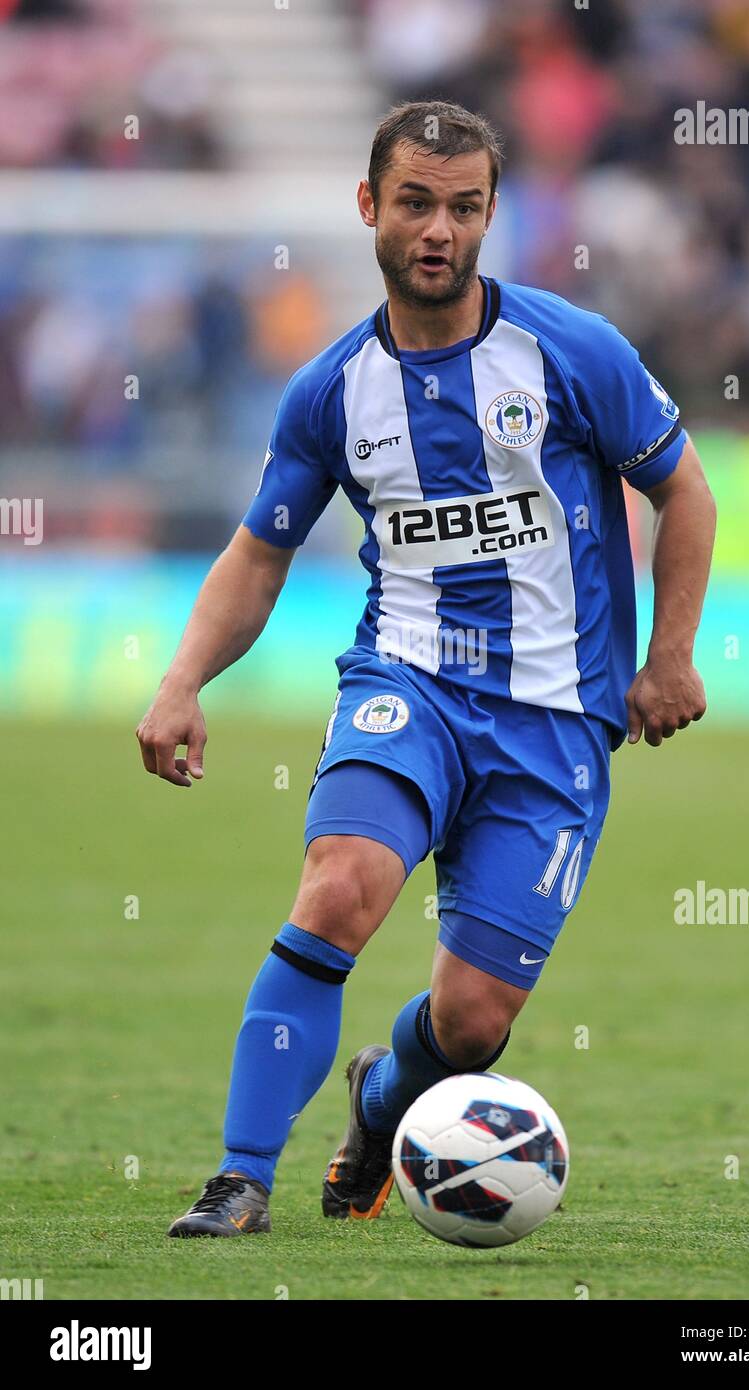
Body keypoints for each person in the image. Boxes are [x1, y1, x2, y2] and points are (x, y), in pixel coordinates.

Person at [136, 100, 716, 1237]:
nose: (437, 229)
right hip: (407, 683)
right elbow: (260, 554)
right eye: (414, 203)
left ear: (491, 214)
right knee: (341, 885)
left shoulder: (569, 351)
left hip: (557, 719)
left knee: (470, 1019)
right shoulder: (330, 392)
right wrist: (178, 681)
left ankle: (378, 1097)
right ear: (370, 208)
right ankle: (240, 1176)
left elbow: (682, 490)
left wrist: (670, 656)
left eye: (461, 207)